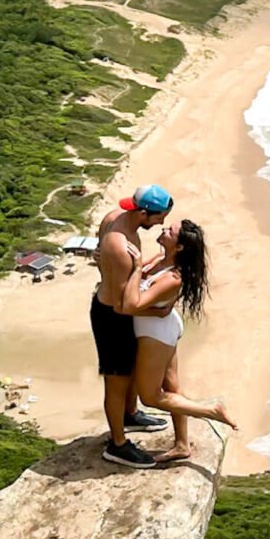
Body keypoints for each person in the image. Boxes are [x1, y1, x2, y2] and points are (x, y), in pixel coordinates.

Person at [122, 217, 238, 463]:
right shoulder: (159, 260)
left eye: (169, 231)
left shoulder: (173, 277)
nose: (164, 230)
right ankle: (182, 445)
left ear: (180, 246)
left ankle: (210, 412)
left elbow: (132, 304)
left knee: (151, 397)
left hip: (156, 335)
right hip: (163, 324)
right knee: (172, 387)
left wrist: (136, 268)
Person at [90, 183, 174, 468]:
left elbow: (102, 258)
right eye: (159, 216)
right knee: (117, 380)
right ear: (142, 213)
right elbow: (125, 303)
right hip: (113, 317)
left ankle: (130, 414)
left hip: (112, 305)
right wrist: (157, 311)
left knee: (131, 370)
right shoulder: (123, 248)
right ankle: (117, 444)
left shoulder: (114, 218)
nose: (162, 221)